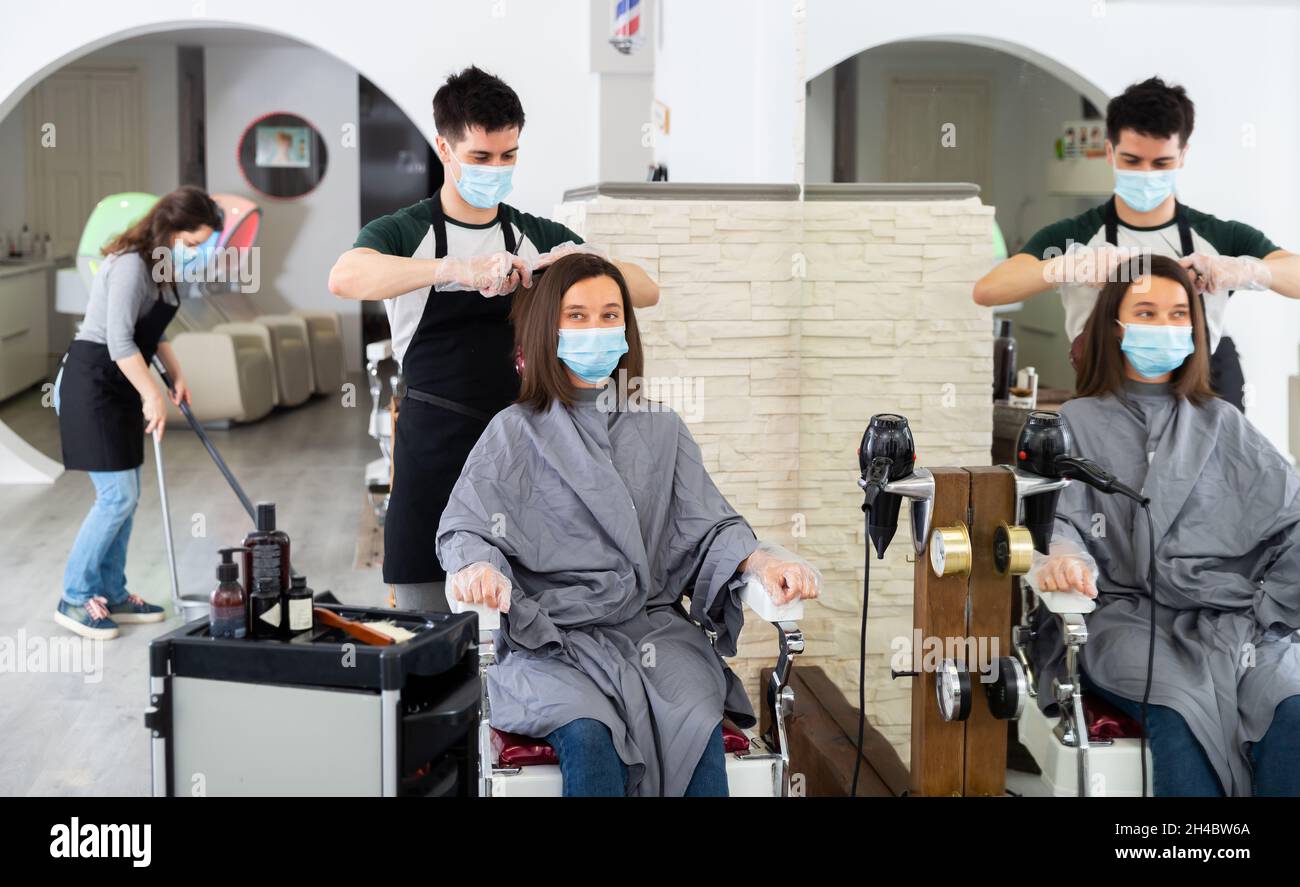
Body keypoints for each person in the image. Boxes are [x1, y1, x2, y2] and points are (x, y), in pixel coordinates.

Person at [435, 253, 818, 796]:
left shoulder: (661, 428)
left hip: (653, 632)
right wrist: (480, 569)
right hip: (552, 642)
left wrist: (764, 561)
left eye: (610, 315)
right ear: (549, 329)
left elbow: (709, 528)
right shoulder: (512, 433)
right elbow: (468, 529)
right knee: (590, 734)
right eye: (578, 316)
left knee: (694, 720)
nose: (597, 329)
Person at [330, 66, 659, 614]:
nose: (497, 169)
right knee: (429, 626)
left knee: (521, 627)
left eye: (509, 155)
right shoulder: (408, 231)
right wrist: (453, 270)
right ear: (444, 148)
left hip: (524, 454)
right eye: (481, 157)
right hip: (435, 451)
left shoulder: (533, 233)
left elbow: (646, 290)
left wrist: (574, 261)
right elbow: (345, 276)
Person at [1026, 254, 1300, 797]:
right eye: (1147, 312)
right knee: (1181, 708)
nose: (1167, 327)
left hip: (1234, 618)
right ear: (1114, 325)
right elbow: (1060, 521)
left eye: (1179, 315)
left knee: (1290, 701)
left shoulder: (1222, 422)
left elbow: (1290, 520)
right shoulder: (1074, 423)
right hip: (1122, 618)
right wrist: (1065, 560)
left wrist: (1272, 608)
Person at [973, 77, 1300, 410]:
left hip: (1204, 396)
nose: (1146, 173)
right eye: (1132, 161)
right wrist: (1068, 265)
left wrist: (1246, 271)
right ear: (1110, 152)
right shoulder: (1075, 235)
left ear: (1183, 155)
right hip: (1107, 400)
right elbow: (989, 290)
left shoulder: (1219, 236)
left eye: (1161, 163)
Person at [53, 186, 222, 639]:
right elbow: (119, 340)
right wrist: (152, 394)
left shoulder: (161, 269)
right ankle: (74, 596)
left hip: (122, 383)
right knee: (116, 497)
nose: (195, 252)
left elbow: (154, 333)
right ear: (170, 229)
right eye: (192, 243)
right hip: (94, 384)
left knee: (124, 498)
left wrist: (175, 374)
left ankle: (113, 591)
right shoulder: (130, 265)